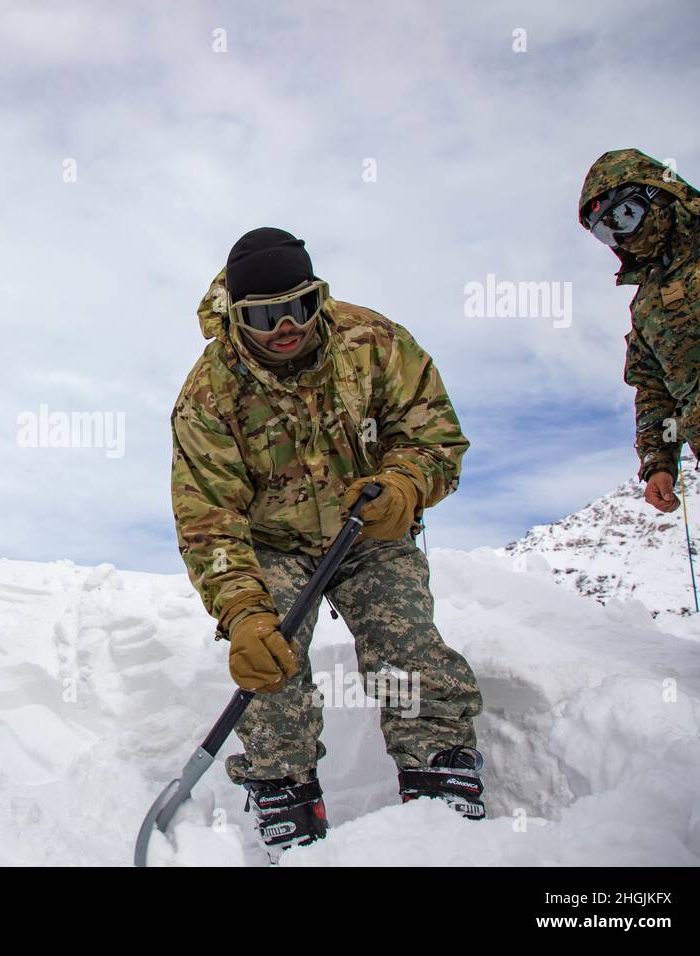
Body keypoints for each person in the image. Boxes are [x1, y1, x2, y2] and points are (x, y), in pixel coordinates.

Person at [170, 227, 485, 859]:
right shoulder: (208, 394)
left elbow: (435, 435)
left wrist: (404, 485)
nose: (285, 325)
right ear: (236, 317)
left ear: (320, 296)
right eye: (263, 315)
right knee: (271, 652)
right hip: (274, 543)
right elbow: (208, 517)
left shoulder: (374, 342)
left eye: (300, 305)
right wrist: (244, 611)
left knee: (405, 638)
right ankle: (282, 787)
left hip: (368, 527)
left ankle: (437, 767)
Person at [579, 148, 700, 510]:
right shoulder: (646, 307)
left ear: (658, 193)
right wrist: (659, 462)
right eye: (606, 232)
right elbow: (654, 387)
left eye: (624, 216)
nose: (621, 238)